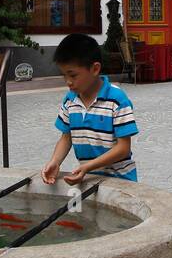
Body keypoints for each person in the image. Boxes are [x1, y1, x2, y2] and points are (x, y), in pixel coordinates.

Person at [42, 34, 139, 184]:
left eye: (73, 75)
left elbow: (123, 148)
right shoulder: (70, 100)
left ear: (95, 69)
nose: (68, 82)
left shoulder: (117, 99)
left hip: (120, 179)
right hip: (88, 178)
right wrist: (55, 161)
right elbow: (66, 138)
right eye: (64, 75)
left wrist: (88, 166)